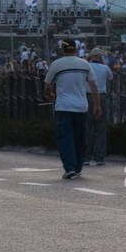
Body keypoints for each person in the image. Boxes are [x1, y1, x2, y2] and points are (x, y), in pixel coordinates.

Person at [44, 38, 101, 179]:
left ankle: (69, 167)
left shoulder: (56, 65)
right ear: (75, 49)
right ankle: (78, 167)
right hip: (81, 107)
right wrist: (97, 105)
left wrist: (50, 96)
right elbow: (94, 87)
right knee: (80, 138)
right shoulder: (85, 64)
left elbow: (47, 85)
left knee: (65, 138)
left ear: (62, 49)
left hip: (63, 107)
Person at [83, 49, 113, 166]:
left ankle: (86, 157)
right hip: (101, 97)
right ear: (101, 57)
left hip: (87, 96)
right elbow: (110, 78)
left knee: (86, 127)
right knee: (100, 128)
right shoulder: (105, 68)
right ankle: (99, 157)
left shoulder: (86, 67)